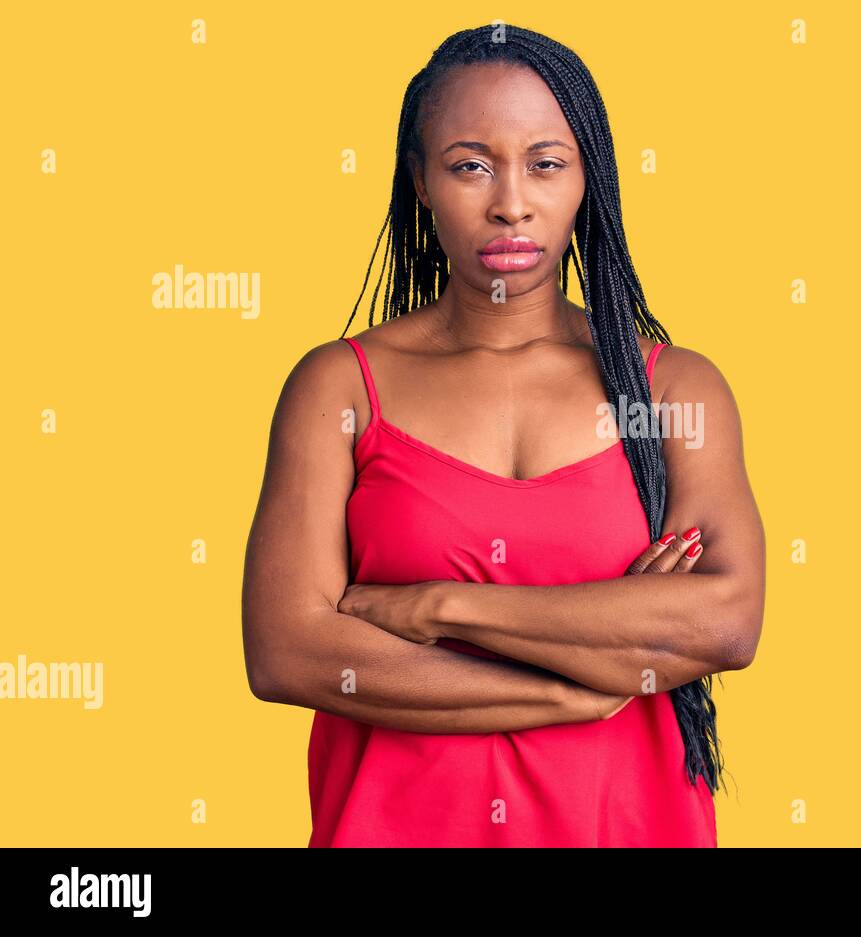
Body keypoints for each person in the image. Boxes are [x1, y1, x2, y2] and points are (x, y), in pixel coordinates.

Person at [241, 22, 765, 847]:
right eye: (470, 164)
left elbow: (725, 621)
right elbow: (288, 652)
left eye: (546, 163)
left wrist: (439, 606)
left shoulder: (670, 389)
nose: (511, 202)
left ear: (588, 177)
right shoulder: (339, 387)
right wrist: (581, 683)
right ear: (419, 180)